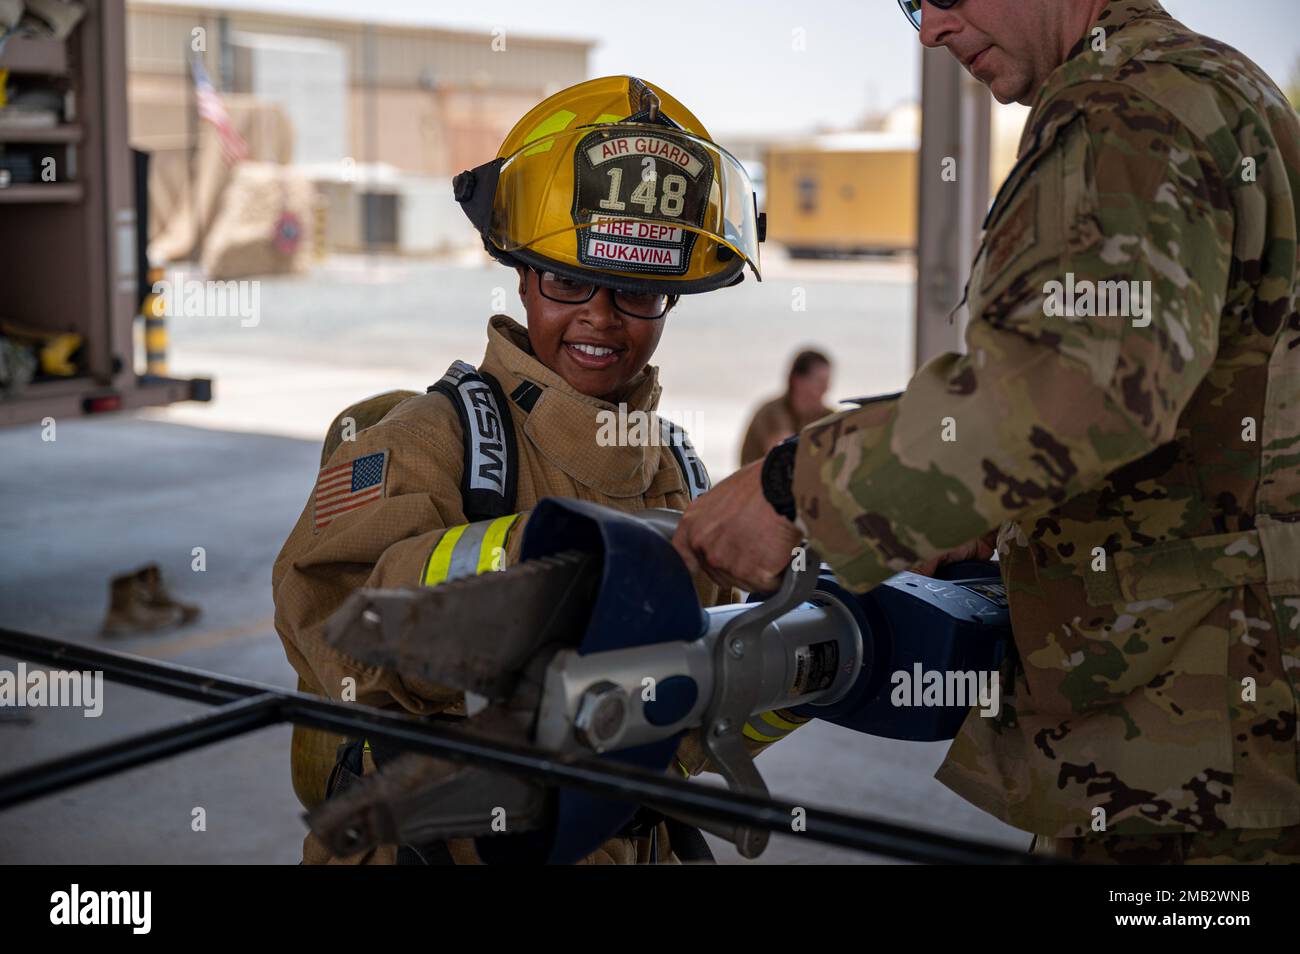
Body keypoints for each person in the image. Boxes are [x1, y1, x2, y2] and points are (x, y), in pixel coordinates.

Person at [673, 0, 1300, 864]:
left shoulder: (1128, 108)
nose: (929, 29)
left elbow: (1074, 385)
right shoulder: (1221, 88)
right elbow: (1208, 415)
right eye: (907, 4)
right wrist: (1005, 521)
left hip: (1191, 760)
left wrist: (796, 488)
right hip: (1225, 727)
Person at [273, 75, 796, 865]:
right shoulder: (431, 439)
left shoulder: (679, 471)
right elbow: (337, 625)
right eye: (566, 280)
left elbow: (702, 705)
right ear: (521, 276)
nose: (599, 315)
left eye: (634, 290)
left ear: (671, 301)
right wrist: (545, 571)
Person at [739, 349, 834, 466]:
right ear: (797, 380)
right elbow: (785, 457)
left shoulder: (827, 415)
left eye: (827, 382)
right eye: (819, 382)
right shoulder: (771, 413)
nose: (825, 389)